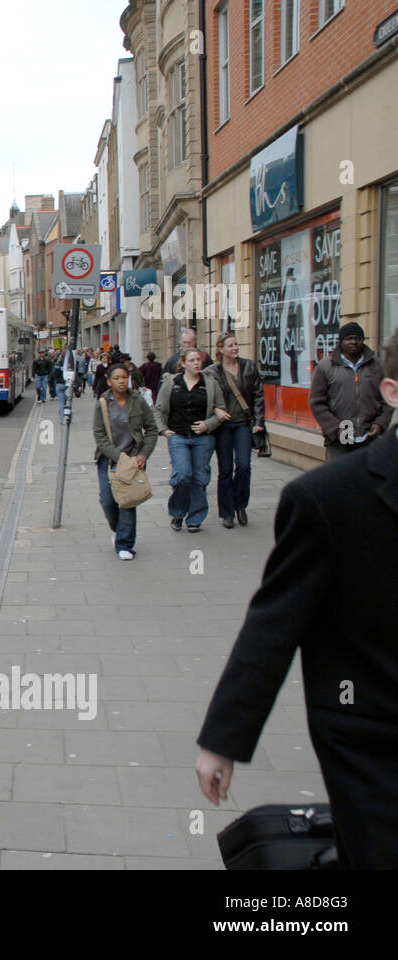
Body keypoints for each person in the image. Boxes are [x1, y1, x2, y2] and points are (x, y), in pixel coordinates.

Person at [196, 330, 398, 869]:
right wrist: (224, 738)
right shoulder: (331, 499)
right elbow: (275, 623)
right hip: (376, 750)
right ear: (393, 393)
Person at [154, 348, 226, 532]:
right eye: (192, 360)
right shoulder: (172, 382)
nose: (196, 363)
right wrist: (163, 430)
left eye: (198, 360)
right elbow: (158, 409)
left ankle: (195, 518)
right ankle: (178, 513)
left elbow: (221, 409)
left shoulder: (210, 383)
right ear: (183, 363)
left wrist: (208, 424)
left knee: (200, 479)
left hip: (203, 438)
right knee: (183, 475)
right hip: (178, 436)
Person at [92, 363, 159, 560]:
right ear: (109, 381)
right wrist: (119, 457)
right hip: (109, 459)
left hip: (133, 459)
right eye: (117, 378)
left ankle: (125, 545)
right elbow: (100, 435)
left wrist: (143, 455)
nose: (121, 381)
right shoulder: (103, 403)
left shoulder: (138, 401)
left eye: (124, 377)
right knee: (107, 500)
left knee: (127, 501)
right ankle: (118, 529)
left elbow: (152, 429)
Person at [308, 321, 393, 461]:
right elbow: (316, 403)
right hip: (339, 441)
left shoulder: (378, 366)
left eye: (358, 338)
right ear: (341, 341)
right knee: (339, 481)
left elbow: (389, 399)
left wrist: (380, 424)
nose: (354, 342)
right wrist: (337, 429)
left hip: (370, 439)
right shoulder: (325, 367)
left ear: (362, 340)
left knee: (370, 481)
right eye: (349, 339)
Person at [206, 332, 265, 528]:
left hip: (243, 425)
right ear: (220, 349)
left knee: (244, 466)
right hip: (223, 426)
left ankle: (241, 505)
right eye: (230, 345)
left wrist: (259, 421)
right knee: (225, 470)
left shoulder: (248, 366)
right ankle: (227, 512)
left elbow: (258, 395)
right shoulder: (212, 372)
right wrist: (216, 411)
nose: (235, 348)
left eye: (236, 345)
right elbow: (206, 397)